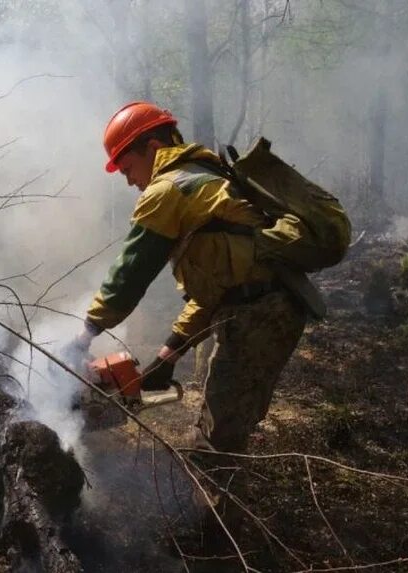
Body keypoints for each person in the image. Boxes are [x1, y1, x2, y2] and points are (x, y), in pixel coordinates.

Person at [69, 101, 307, 488]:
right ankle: (216, 511)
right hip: (265, 308)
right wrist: (170, 352)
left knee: (218, 438)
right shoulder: (203, 175)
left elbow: (129, 275)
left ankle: (212, 537)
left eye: (127, 167)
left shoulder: (168, 189)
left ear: (150, 146)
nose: (130, 181)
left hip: (257, 312)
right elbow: (220, 282)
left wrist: (86, 334)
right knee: (224, 418)